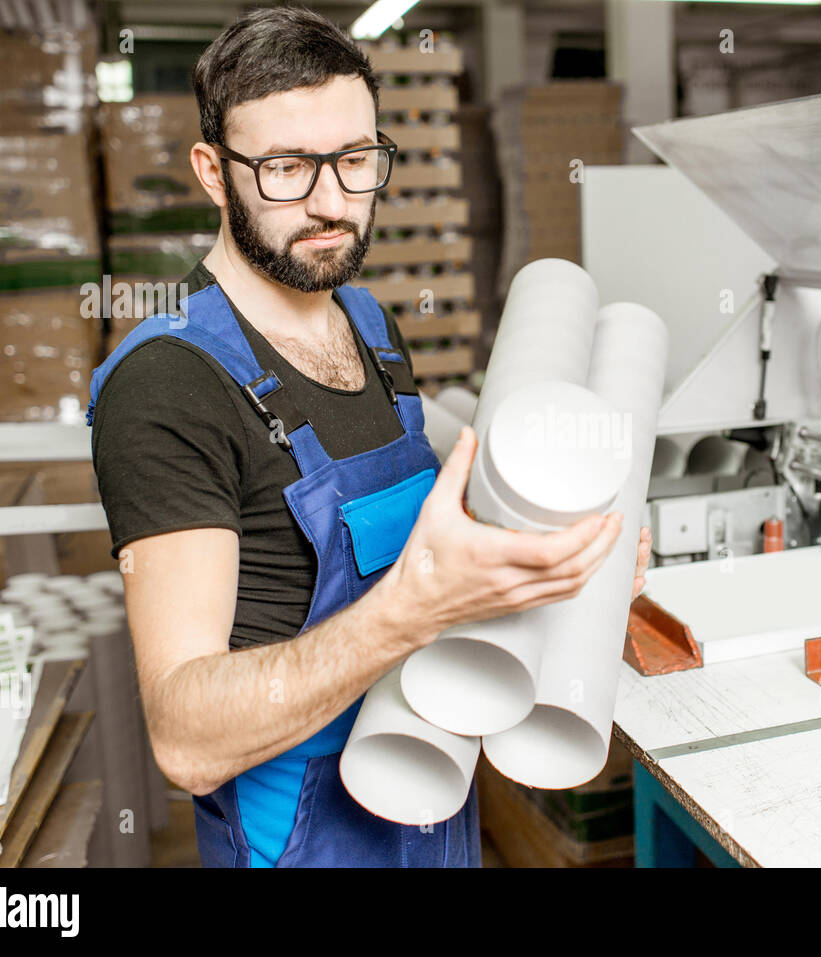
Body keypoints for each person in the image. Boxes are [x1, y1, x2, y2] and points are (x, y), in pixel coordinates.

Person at [88, 5, 651, 868]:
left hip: (433, 808)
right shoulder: (167, 384)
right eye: (285, 168)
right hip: (306, 846)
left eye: (355, 161)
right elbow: (185, 735)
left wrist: (564, 563)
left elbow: (438, 559)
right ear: (212, 171)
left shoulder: (369, 325)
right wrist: (411, 610)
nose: (330, 202)